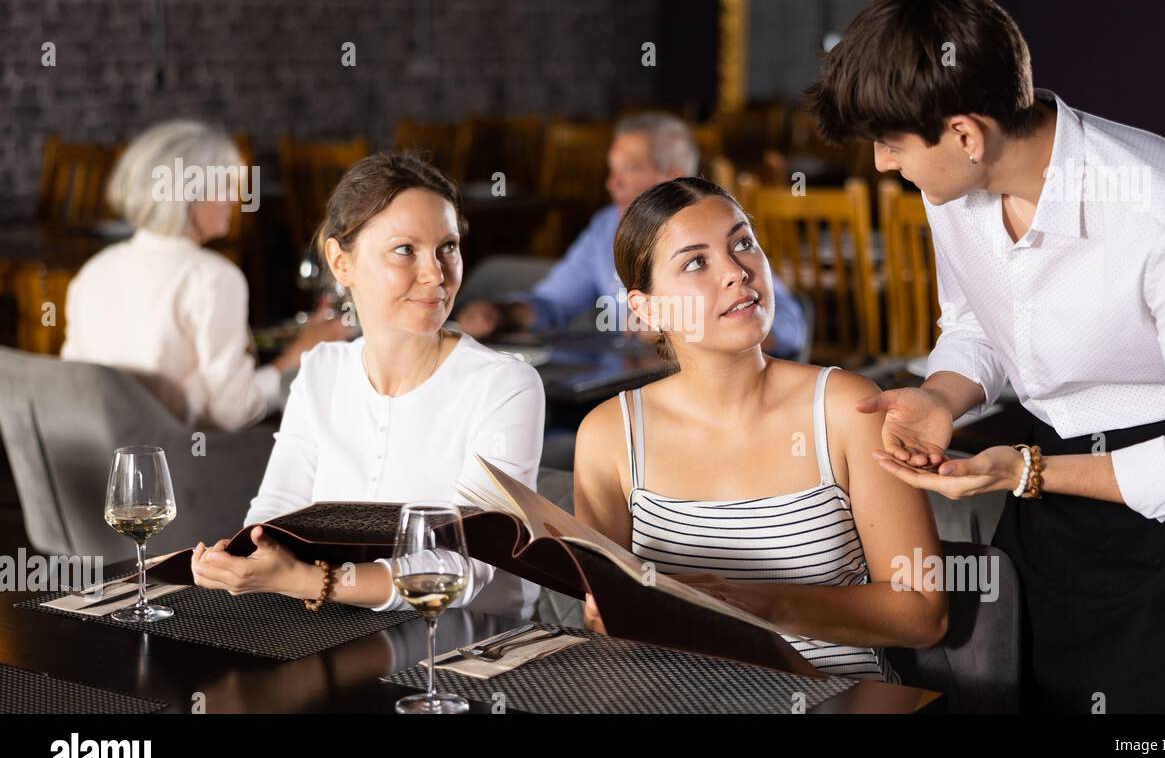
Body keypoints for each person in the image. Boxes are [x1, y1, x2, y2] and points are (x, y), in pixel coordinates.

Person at [805, 0, 1165, 712]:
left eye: (890, 143)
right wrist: (942, 397)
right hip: (1052, 482)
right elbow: (978, 324)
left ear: (966, 134)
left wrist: (1027, 471)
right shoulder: (952, 188)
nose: (880, 162)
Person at [572, 176, 947, 680]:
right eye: (696, 262)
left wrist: (755, 604)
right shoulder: (607, 435)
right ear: (647, 309)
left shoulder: (849, 408)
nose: (736, 271)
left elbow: (923, 612)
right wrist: (608, 614)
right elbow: (604, 627)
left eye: (743, 243)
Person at [190, 152, 545, 619]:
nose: (436, 274)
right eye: (405, 250)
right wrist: (246, 558)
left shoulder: (506, 385)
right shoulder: (321, 369)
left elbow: (463, 564)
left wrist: (305, 580)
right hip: (340, 626)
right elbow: (276, 510)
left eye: (448, 247)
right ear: (341, 263)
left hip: (474, 642)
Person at [61, 119, 345, 430]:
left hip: (100, 455)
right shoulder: (213, 277)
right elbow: (235, 411)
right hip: (187, 456)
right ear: (189, 198)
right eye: (226, 186)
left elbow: (76, 388)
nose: (235, 199)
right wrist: (301, 352)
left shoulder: (93, 270)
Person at [456, 112, 808, 358]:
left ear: (673, 178)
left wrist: (682, 333)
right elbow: (553, 304)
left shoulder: (715, 232)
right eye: (612, 171)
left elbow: (791, 328)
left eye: (631, 169)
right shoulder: (606, 227)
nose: (613, 183)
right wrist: (500, 312)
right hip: (626, 391)